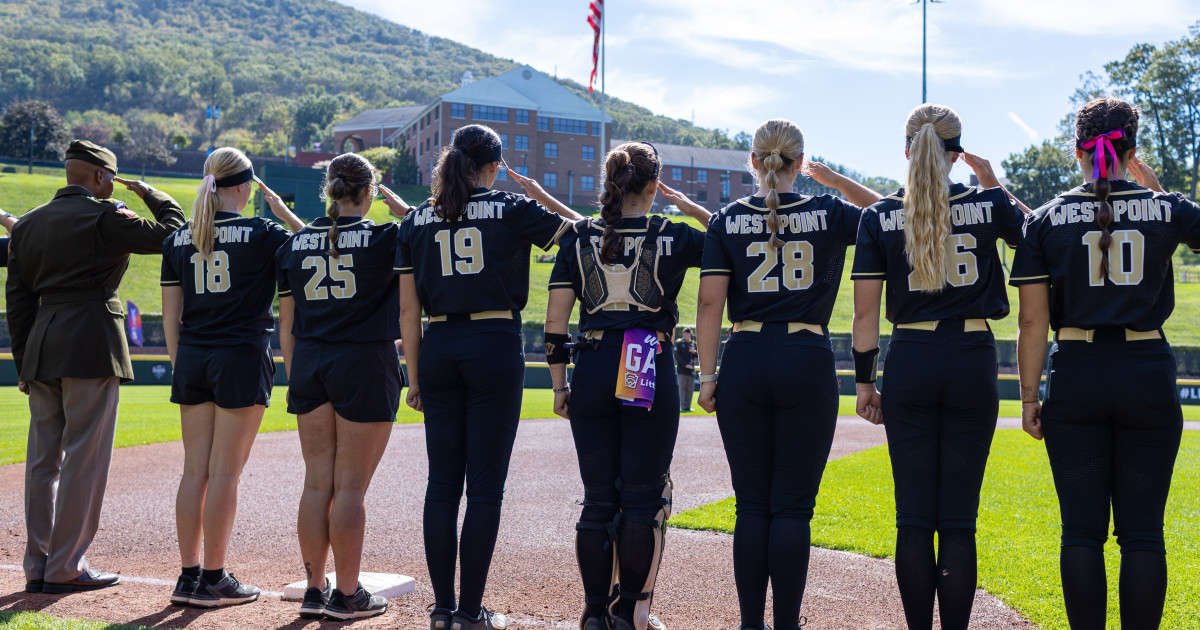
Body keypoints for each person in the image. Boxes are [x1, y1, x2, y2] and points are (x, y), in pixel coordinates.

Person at [1011, 97, 1195, 630]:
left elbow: (1031, 324)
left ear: (1077, 151)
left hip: (1077, 374)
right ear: (1133, 150)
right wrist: (1153, 186)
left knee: (1081, 533)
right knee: (1143, 534)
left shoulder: (1047, 218)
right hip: (1147, 371)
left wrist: (1028, 399)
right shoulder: (1167, 207)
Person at [693, 118, 882, 630]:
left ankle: (750, 624)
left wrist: (706, 378)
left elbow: (710, 303)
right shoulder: (827, 209)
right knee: (793, 508)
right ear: (800, 163)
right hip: (806, 357)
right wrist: (837, 181)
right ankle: (787, 625)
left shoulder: (727, 218)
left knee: (752, 505)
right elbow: (890, 212)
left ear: (753, 161)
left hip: (746, 355)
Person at [849, 104, 1027, 630]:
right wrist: (992, 181)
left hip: (911, 358)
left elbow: (864, 312)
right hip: (972, 357)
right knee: (958, 521)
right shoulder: (989, 202)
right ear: (957, 152)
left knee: (913, 518)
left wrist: (864, 381)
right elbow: (1036, 237)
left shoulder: (879, 215)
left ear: (908, 150)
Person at [397, 124, 581, 630]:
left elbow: (408, 311)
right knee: (483, 489)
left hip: (437, 348)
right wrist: (534, 192)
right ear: (495, 166)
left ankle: (440, 609)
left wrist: (413, 377)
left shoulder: (416, 219)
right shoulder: (511, 208)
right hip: (494, 344)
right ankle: (470, 610)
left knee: (441, 485)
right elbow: (578, 231)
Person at [8, 140, 185, 594]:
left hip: (42, 347)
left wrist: (25, 360)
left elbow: (19, 299)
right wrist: (150, 192)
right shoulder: (106, 217)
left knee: (42, 462)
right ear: (101, 178)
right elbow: (172, 233)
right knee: (83, 460)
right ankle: (66, 566)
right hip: (91, 344)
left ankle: (38, 564)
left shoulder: (28, 225)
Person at [545, 141, 709, 630]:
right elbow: (726, 234)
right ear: (654, 185)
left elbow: (556, 322)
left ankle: (595, 612)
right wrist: (685, 204)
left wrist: (559, 387)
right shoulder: (675, 235)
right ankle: (629, 612)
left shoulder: (575, 236)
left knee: (598, 498)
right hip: (648, 363)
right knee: (642, 497)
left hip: (593, 365)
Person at [160, 148, 305, 607]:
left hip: (193, 358)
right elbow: (320, 251)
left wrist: (184, 362)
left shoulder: (179, 237)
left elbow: (170, 319)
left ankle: (188, 577)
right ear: (246, 187)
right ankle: (215, 578)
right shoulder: (263, 231)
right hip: (241, 356)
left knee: (194, 471)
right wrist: (284, 213)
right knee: (225, 473)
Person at [276, 152, 403, 621]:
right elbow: (425, 233)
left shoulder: (298, 241)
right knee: (349, 489)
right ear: (368, 191)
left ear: (329, 190)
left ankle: (315, 588)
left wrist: (299, 372)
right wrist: (398, 208)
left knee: (316, 483)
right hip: (363, 361)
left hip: (310, 361)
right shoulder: (386, 236)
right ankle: (348, 593)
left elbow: (286, 322)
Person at [672, 328, 697, 412]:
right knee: (682, 389)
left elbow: (698, 355)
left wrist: (694, 352)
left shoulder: (693, 344)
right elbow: (677, 356)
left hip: (691, 371)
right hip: (682, 370)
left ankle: (688, 406)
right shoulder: (679, 343)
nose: (688, 335)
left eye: (689, 334)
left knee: (690, 389)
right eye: (686, 334)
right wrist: (685, 365)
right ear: (683, 334)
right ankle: (683, 406)